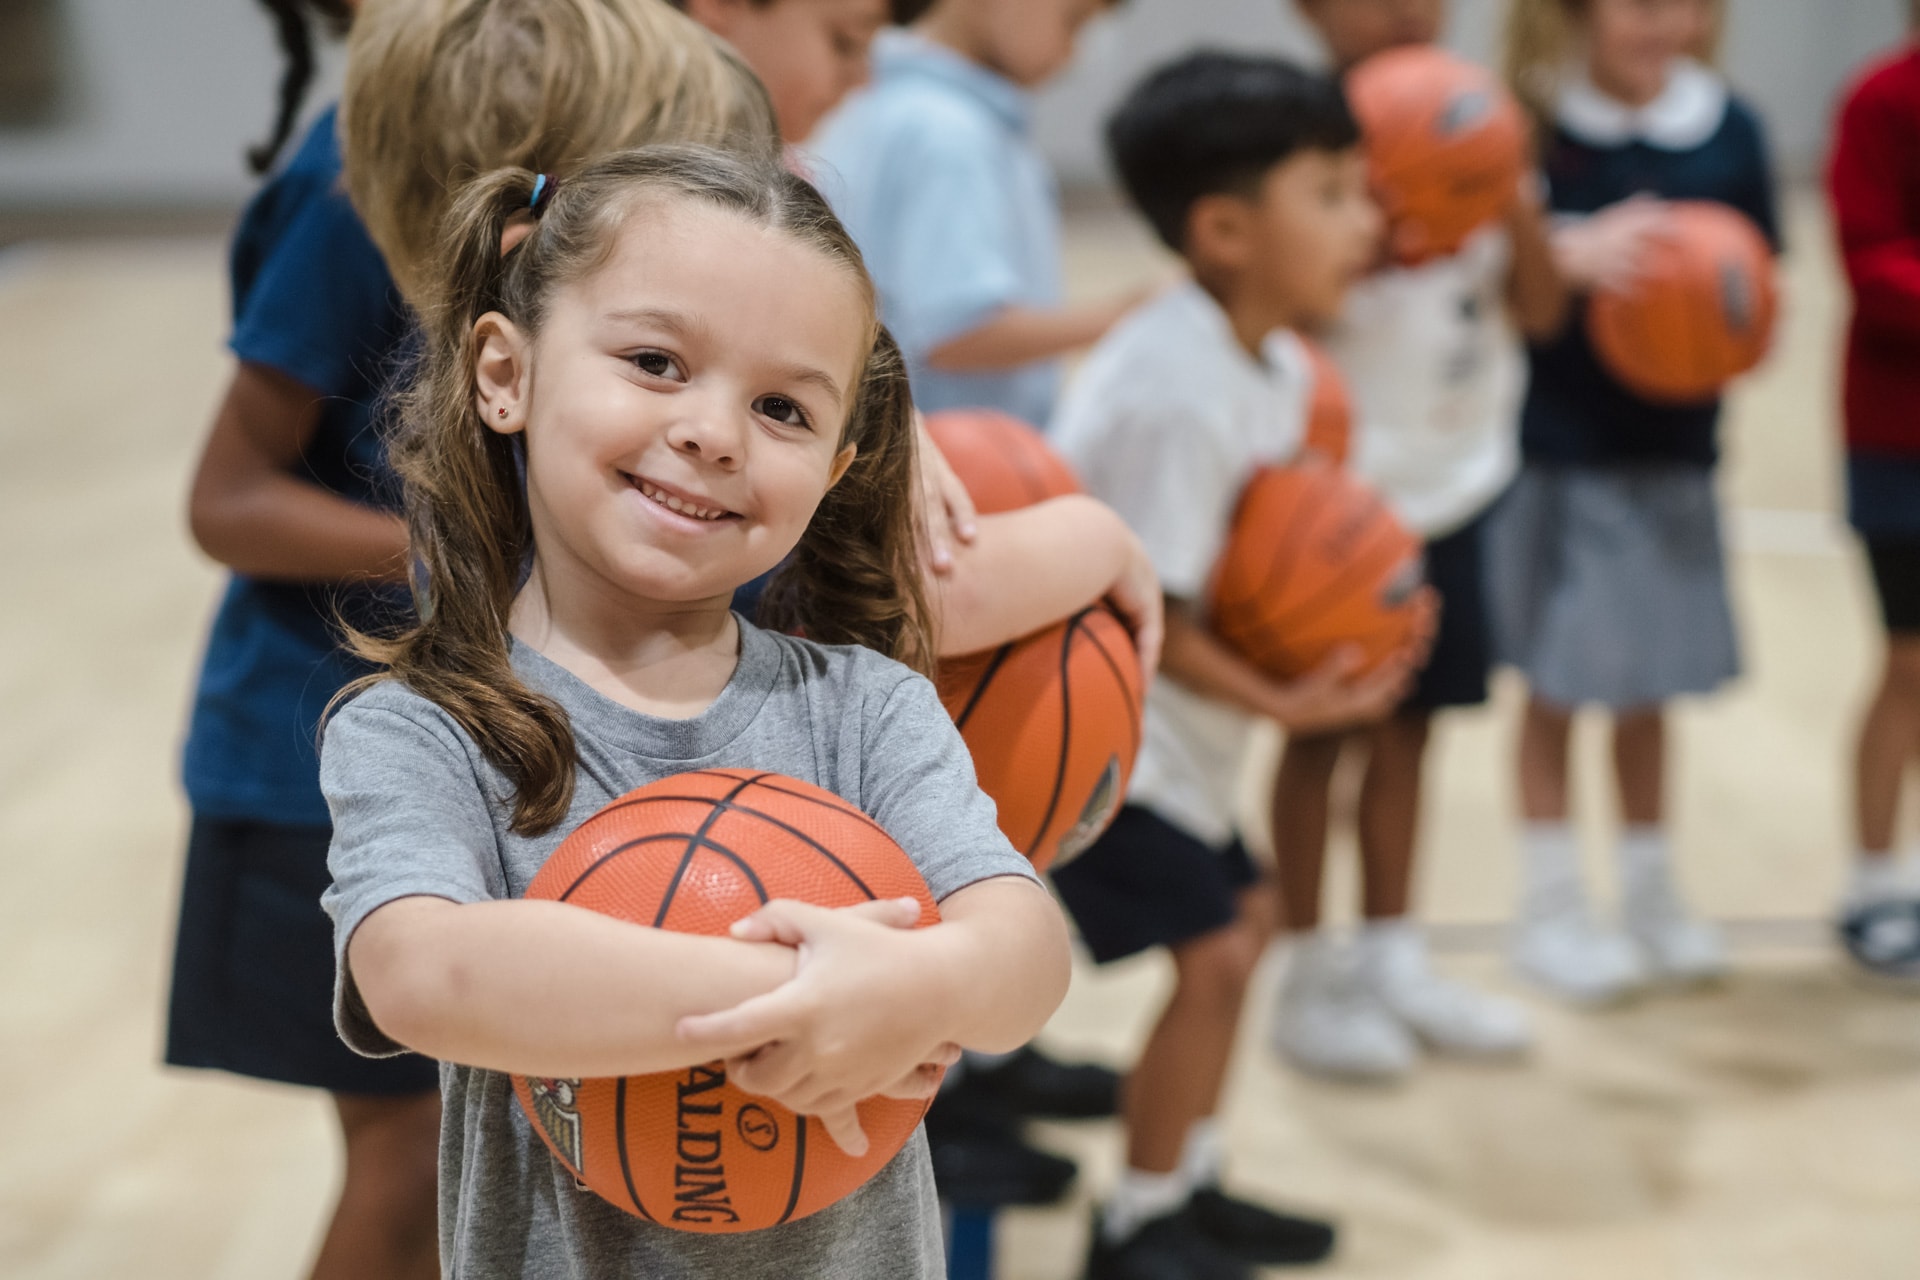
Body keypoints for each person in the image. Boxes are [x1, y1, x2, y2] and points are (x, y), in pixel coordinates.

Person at [322, 144, 1074, 1278]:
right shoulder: (423, 728)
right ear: (504, 372)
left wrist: (929, 981)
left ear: (836, 467)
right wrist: (805, 998)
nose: (716, 432)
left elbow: (1025, 952)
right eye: (657, 361)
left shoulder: (866, 711)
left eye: (782, 406)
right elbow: (422, 972)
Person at [1050, 52, 1431, 1280]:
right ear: (1222, 229)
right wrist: (1289, 696)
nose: (1365, 220)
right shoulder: (1176, 387)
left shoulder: (1263, 360)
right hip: (1093, 737)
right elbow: (1142, 595)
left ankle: (1183, 1180)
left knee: (1248, 925)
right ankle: (1136, 1228)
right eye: (1331, 192)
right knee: (1216, 949)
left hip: (1171, 735)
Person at [164, 4, 437, 1276]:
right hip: (303, 761)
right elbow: (226, 498)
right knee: (417, 1153)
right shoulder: (353, 182)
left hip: (440, 741)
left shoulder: (538, 162)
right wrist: (459, 554)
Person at [1264, 0, 1564, 1080]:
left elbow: (1541, 308)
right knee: (1323, 735)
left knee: (1414, 733)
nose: (1400, 6)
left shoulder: (1476, 124)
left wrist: (1510, 197)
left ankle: (1393, 956)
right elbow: (1272, 319)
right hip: (1336, 503)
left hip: (1458, 485)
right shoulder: (1294, 137)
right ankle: (1305, 975)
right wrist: (1356, 244)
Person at [1493, 0, 1778, 1003]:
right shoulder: (1534, 129)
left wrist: (1721, 312)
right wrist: (1567, 252)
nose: (1669, 22)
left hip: (1676, 452)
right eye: (1641, 3)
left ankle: (1653, 891)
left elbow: (1757, 282)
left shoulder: (1729, 128)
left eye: (1689, 3)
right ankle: (1550, 903)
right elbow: (1494, 285)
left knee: (1651, 687)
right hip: (1561, 452)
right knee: (1559, 687)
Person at [806, 0, 1141, 428]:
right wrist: (1125, 314)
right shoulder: (948, 132)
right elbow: (955, 332)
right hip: (953, 453)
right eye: (1073, 21)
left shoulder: (899, 107)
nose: (1072, 55)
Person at [1827, 5, 1920, 980]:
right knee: (1907, 663)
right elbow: (1870, 258)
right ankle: (1872, 879)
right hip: (1901, 436)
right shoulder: (1884, 101)